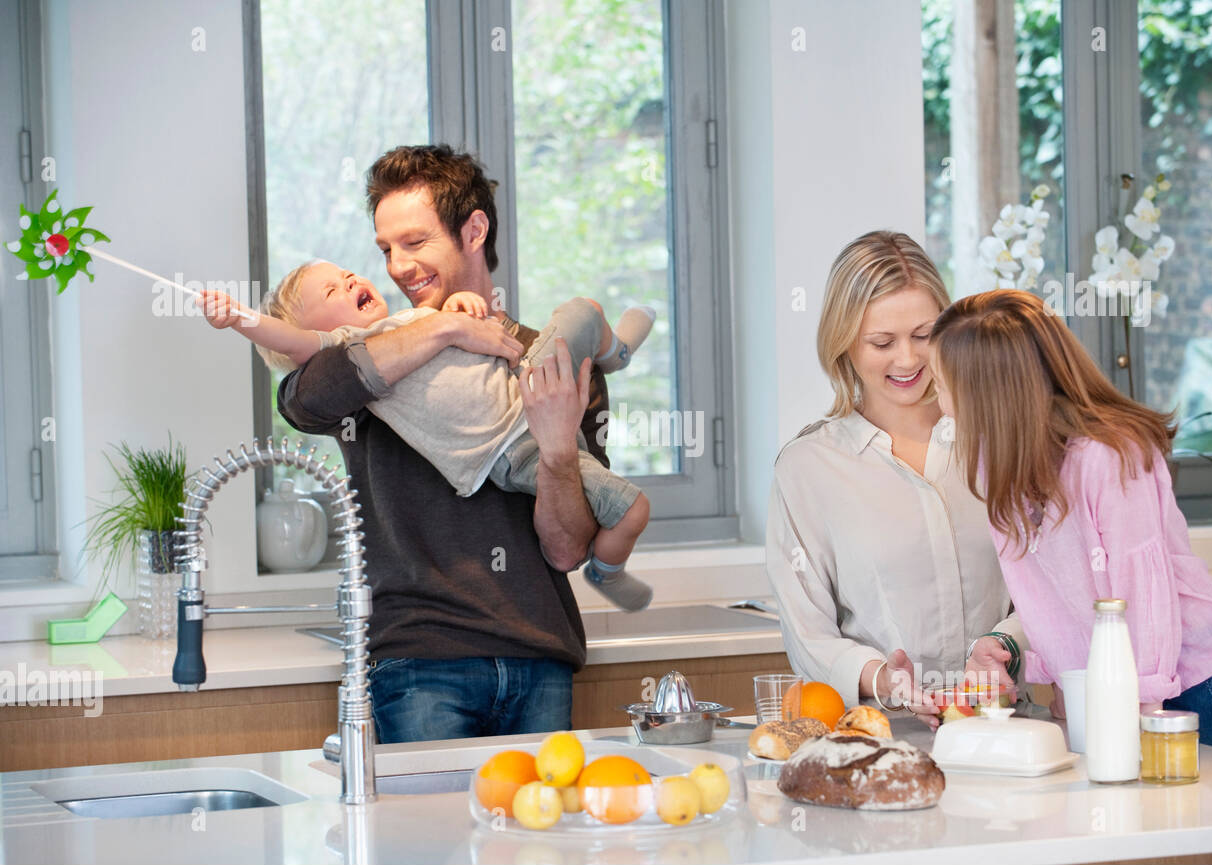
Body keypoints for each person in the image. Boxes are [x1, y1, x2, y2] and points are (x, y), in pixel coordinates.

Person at [277, 144, 615, 742]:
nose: (398, 267)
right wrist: (448, 328)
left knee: (535, 837)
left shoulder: (557, 363)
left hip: (539, 656)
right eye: (386, 249)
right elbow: (302, 399)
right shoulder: (368, 358)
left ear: (473, 229)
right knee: (429, 839)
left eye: (414, 242)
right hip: (418, 662)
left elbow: (567, 552)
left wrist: (560, 449)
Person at [929, 288, 1212, 761]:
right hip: (1113, 696)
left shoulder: (1111, 456)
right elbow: (1052, 596)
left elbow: (1143, 600)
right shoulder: (999, 467)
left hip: (1205, 690)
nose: (937, 400)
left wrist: (1131, 711)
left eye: (940, 383)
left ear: (986, 393)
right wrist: (1066, 681)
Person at [201, 267, 654, 611]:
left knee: (585, 311)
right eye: (332, 290)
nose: (353, 278)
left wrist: (460, 307)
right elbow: (295, 350)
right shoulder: (353, 347)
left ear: (473, 230)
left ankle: (616, 352)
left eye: (345, 274)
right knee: (633, 510)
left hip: (528, 382)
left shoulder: (413, 318)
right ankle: (607, 574)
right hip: (515, 452)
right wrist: (240, 318)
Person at [766, 231, 1024, 729]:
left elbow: (1051, 585)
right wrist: (882, 679)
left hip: (1007, 735)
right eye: (882, 342)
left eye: (924, 335)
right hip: (877, 744)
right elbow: (808, 634)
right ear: (844, 343)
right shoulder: (809, 467)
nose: (907, 360)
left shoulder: (998, 443)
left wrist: (1006, 644)